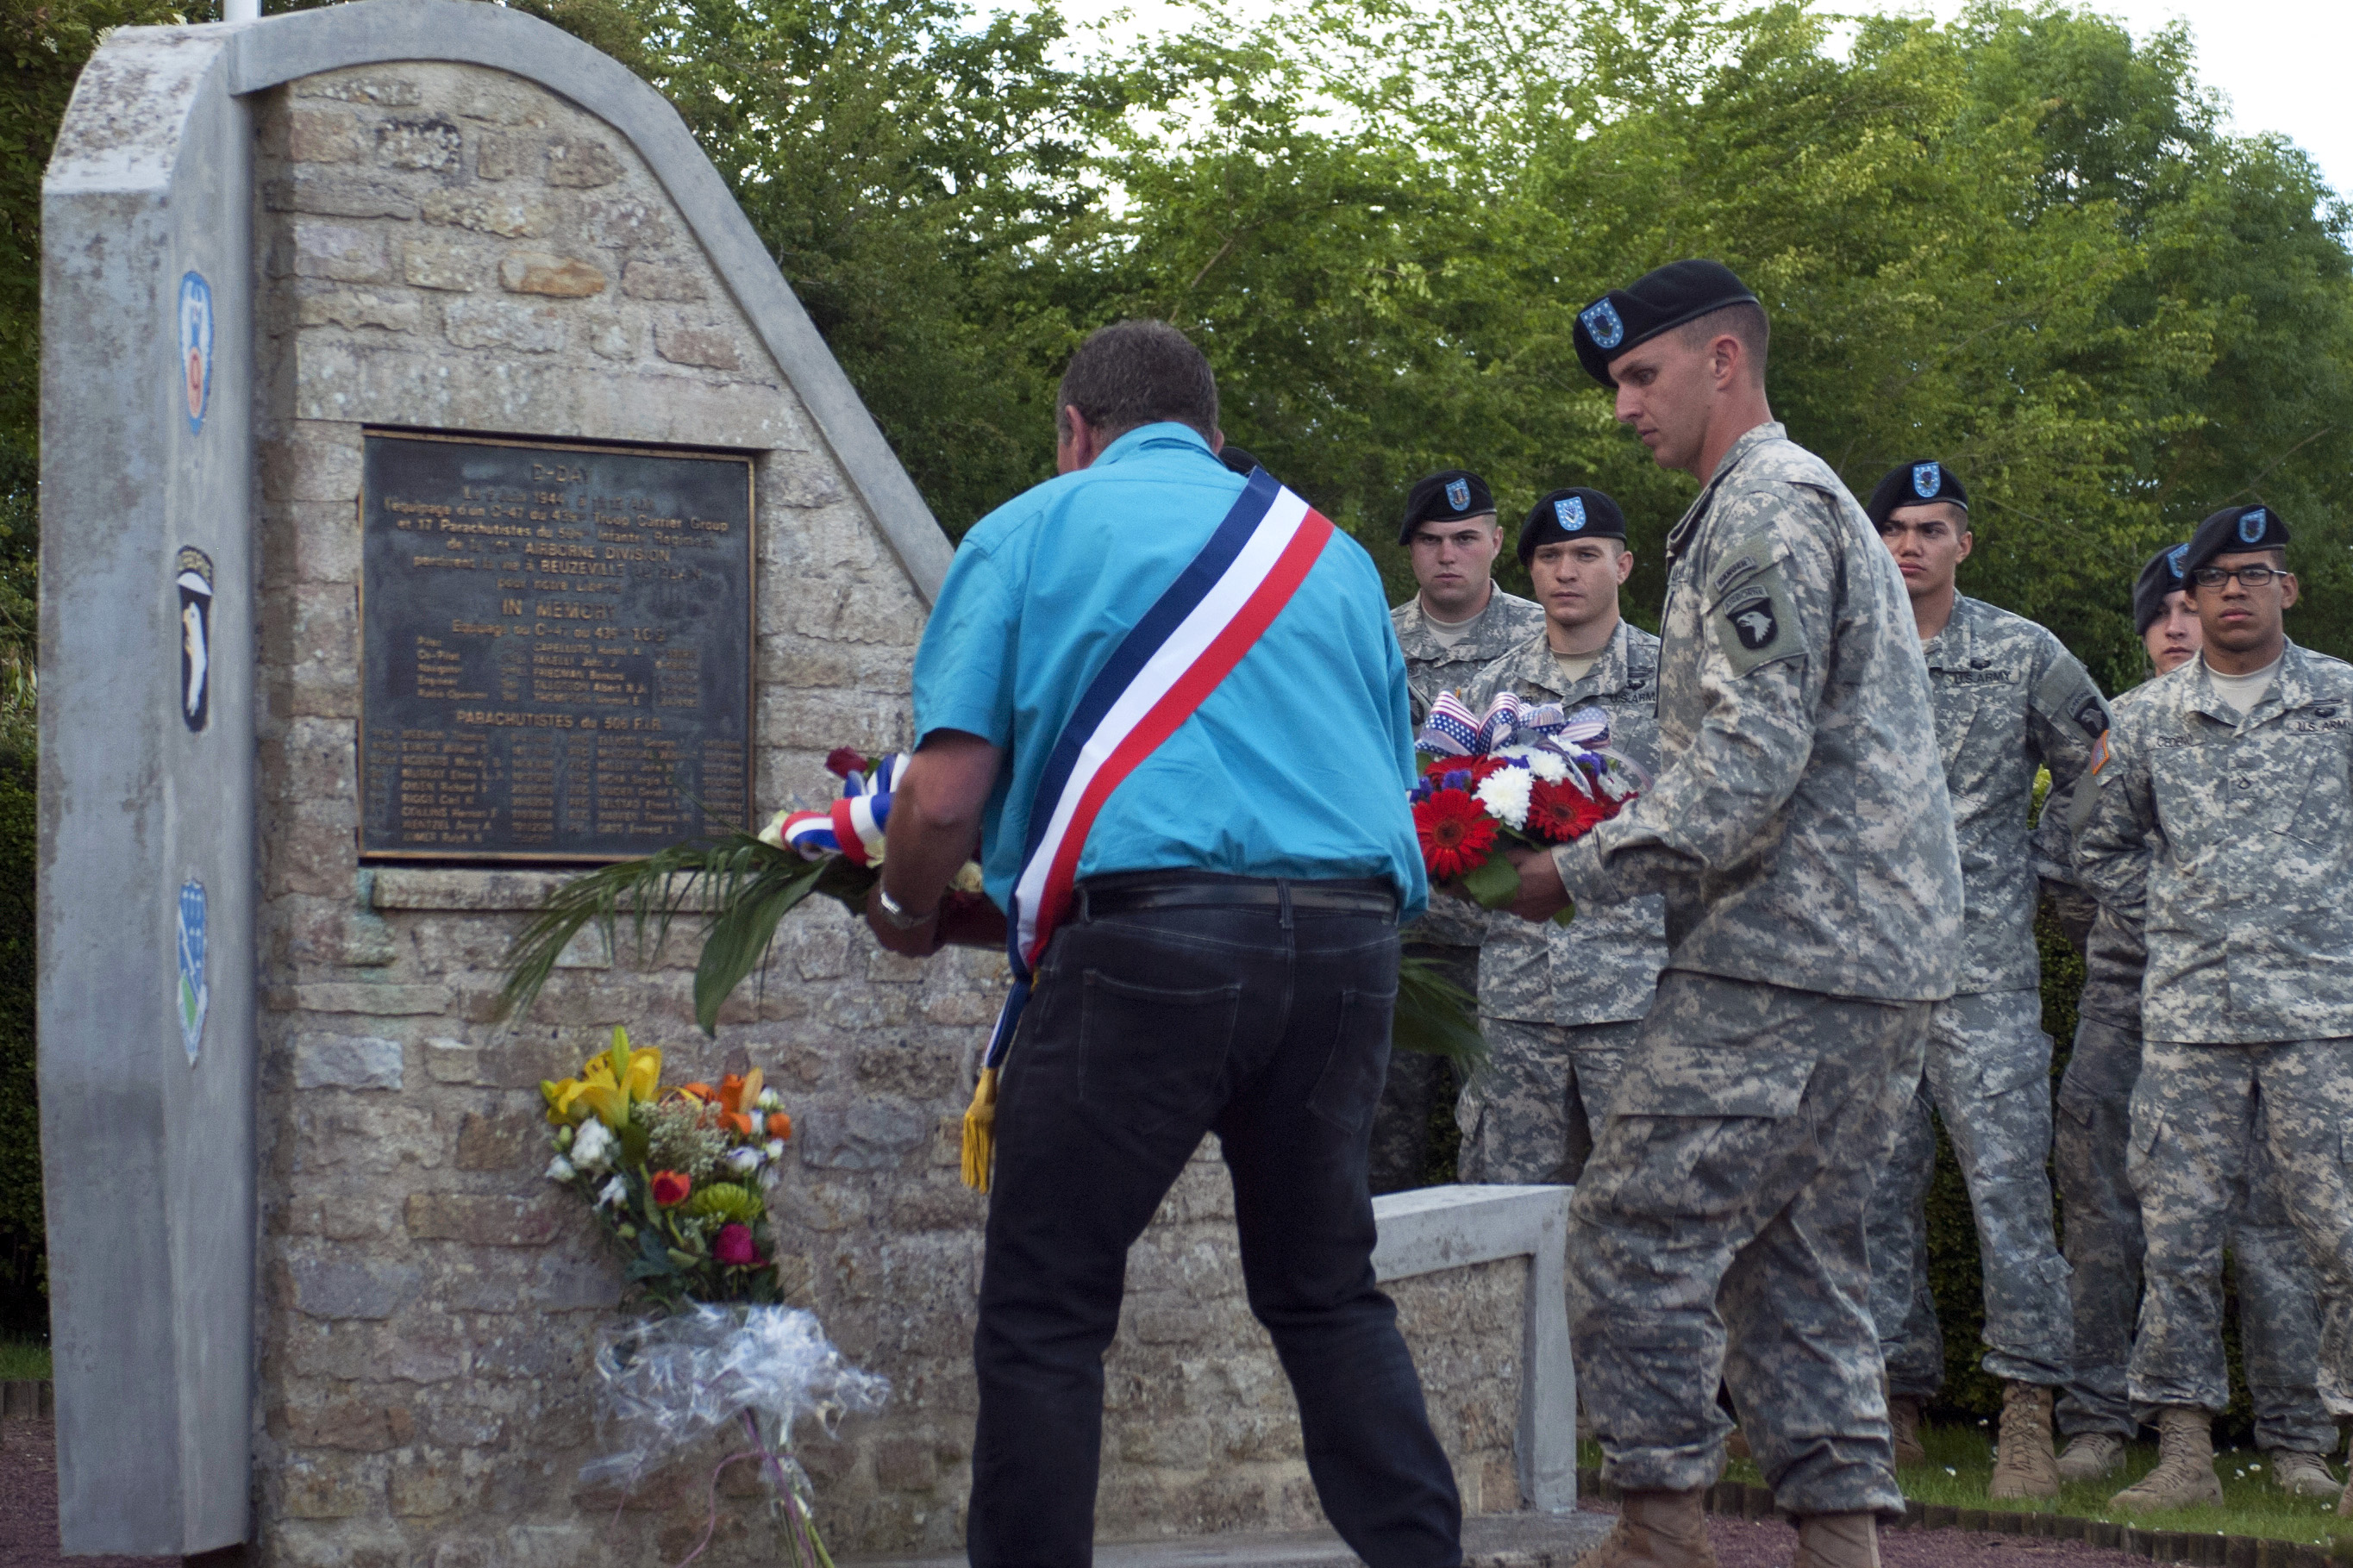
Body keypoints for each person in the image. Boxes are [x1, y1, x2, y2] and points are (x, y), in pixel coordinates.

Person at [867, 320, 1462, 1565]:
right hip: (1350, 950)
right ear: (1211, 430)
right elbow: (1387, 778)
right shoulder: (1335, 557)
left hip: (1150, 948)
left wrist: (905, 908)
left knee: (1047, 1313)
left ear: (1074, 432)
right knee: (1324, 1292)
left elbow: (939, 798)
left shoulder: (1031, 529)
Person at [1509, 259, 1962, 1568]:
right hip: (1869, 957)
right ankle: (1838, 1539)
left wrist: (1574, 870)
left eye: (1639, 376)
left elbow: (1750, 760)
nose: (1621, 410)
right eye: (1614, 385)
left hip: (1787, 951)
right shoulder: (1782, 500)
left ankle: (1658, 1525)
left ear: (1722, 361)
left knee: (1634, 1225)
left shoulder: (1763, 505)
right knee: (1798, 1255)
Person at [2074, 503, 2353, 1515]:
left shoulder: (2341, 703)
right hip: (2187, 1020)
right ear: (2185, 598)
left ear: (2289, 586)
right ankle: (2182, 1448)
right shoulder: (2142, 717)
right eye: (2214, 577)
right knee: (2177, 1237)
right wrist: (2185, 911)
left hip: (2319, 1017)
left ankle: (2318, 1444)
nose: (2233, 590)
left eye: (2254, 570)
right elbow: (2092, 844)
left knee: (2340, 1235)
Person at [1855, 459, 2107, 1498]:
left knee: (2007, 1197)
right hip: (1865, 974)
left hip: (1982, 979)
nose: (1909, 544)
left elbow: (2099, 759)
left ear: (1964, 542)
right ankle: (1892, 1403)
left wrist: (2045, 864)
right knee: (1871, 1198)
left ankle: (2024, 1413)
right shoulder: (1839, 645)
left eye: (1931, 527)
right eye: (1895, 529)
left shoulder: (2019, 651)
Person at [1454, 487, 1665, 1187]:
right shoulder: (1491, 692)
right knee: (1505, 1210)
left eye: (1586, 554)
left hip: (1637, 991)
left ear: (1624, 564)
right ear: (1531, 572)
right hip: (1518, 996)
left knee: (1646, 1206)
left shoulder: (1674, 681)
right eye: (1549, 556)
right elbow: (1451, 820)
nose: (1566, 571)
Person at [1382, 472, 1547, 1190]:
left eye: (1464, 538)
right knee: (1381, 1142)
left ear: (1495, 543)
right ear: (1411, 550)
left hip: (1509, 936)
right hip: (1404, 933)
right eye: (1429, 540)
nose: (1447, 554)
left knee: (1508, 1150)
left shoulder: (1543, 637)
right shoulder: (1374, 640)